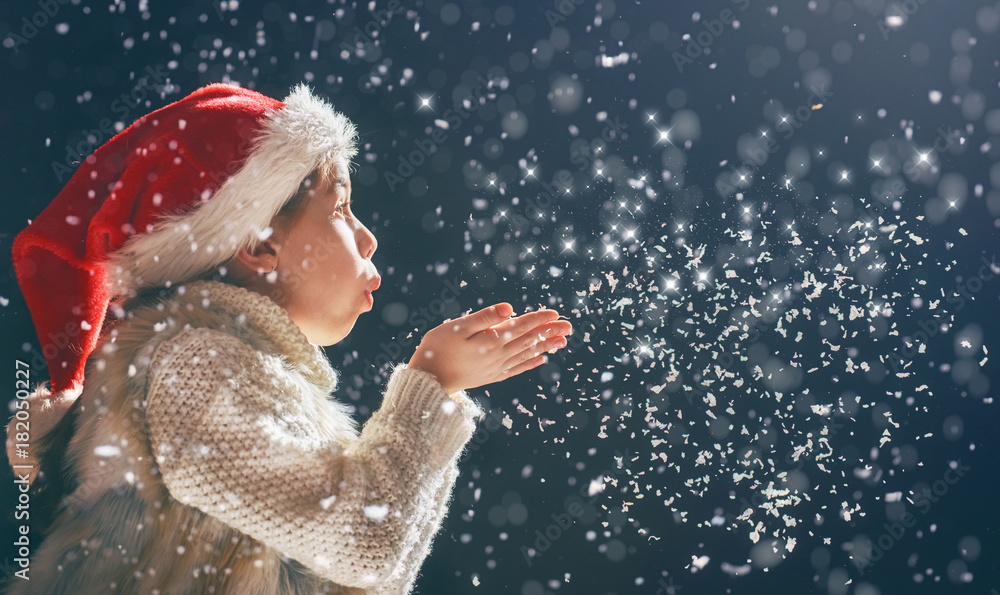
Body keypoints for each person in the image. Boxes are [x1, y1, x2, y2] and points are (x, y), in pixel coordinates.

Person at [3, 82, 572, 594]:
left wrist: (439, 393)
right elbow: (367, 547)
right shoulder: (194, 369)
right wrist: (429, 383)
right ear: (257, 245)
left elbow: (379, 565)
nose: (368, 238)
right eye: (342, 208)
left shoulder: (221, 374)